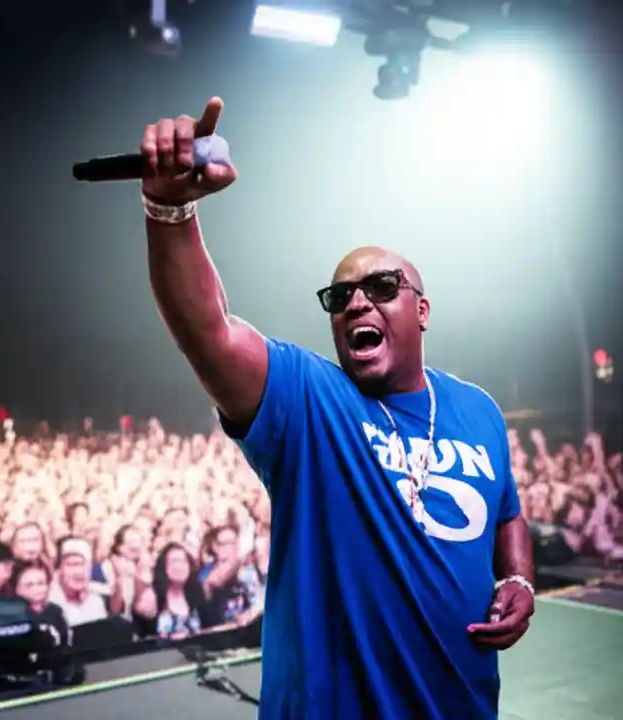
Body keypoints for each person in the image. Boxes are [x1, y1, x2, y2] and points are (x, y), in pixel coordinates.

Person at [137, 97, 534, 719]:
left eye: (381, 288)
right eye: (340, 295)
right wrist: (168, 209)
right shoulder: (308, 398)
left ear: (422, 311)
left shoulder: (478, 409)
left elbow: (506, 511)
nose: (356, 303)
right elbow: (207, 329)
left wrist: (517, 579)